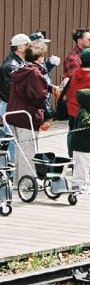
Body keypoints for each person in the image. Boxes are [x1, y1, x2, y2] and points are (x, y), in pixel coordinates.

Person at [6, 41, 50, 184]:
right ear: (40, 56)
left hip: (15, 113)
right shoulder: (34, 73)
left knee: (20, 149)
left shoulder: (21, 69)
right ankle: (28, 183)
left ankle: (19, 181)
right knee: (29, 150)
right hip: (27, 115)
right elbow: (39, 95)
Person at [66, 47, 90, 161]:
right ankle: (86, 160)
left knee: (72, 133)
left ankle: (72, 157)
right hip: (87, 113)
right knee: (87, 137)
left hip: (73, 110)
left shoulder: (74, 74)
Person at [71, 88, 90, 194]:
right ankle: (78, 185)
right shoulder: (83, 113)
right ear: (87, 100)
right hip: (82, 147)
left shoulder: (86, 111)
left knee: (86, 165)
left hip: (86, 147)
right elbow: (85, 123)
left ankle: (85, 183)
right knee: (81, 166)